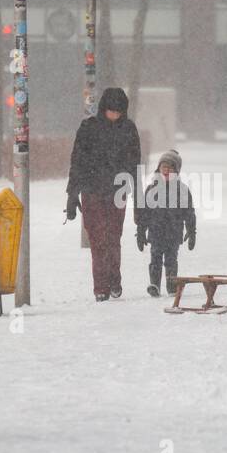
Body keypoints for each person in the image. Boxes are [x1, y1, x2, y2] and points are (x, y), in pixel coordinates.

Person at [65, 87, 141, 301]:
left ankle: (114, 279)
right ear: (103, 109)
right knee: (98, 240)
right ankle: (101, 287)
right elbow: (77, 161)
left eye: (118, 112)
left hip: (118, 191)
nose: (114, 115)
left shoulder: (128, 129)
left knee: (113, 237)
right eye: (110, 111)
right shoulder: (88, 128)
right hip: (92, 191)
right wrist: (72, 194)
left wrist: (140, 201)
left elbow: (135, 164)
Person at [135, 148, 196, 297]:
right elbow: (144, 213)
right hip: (156, 232)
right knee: (155, 259)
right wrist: (141, 232)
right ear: (159, 169)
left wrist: (191, 230)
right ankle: (154, 284)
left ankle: (172, 285)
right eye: (164, 167)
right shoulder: (152, 189)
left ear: (176, 170)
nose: (166, 170)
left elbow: (189, 212)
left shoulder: (182, 190)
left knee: (171, 260)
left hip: (173, 233)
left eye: (170, 168)